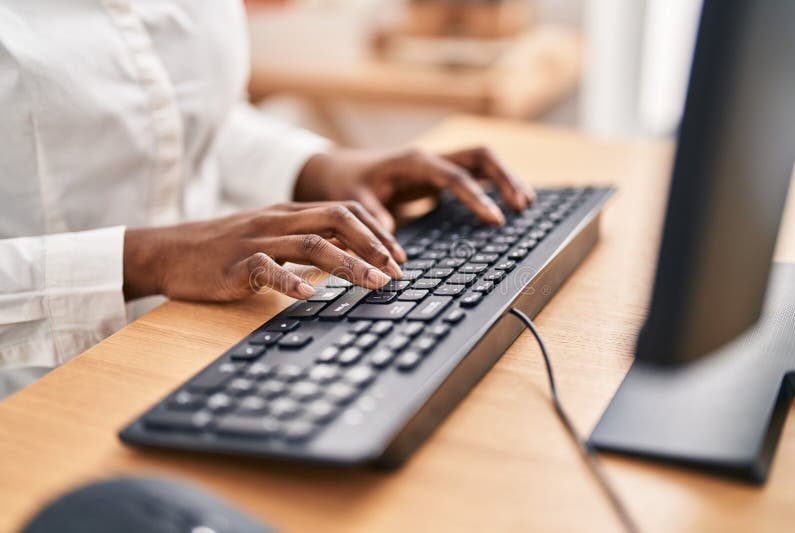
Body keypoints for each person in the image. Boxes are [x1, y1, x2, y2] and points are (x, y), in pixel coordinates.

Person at [0, 0, 533, 396]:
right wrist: (149, 257)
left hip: (208, 336)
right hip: (36, 390)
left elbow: (182, 118)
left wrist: (316, 166)